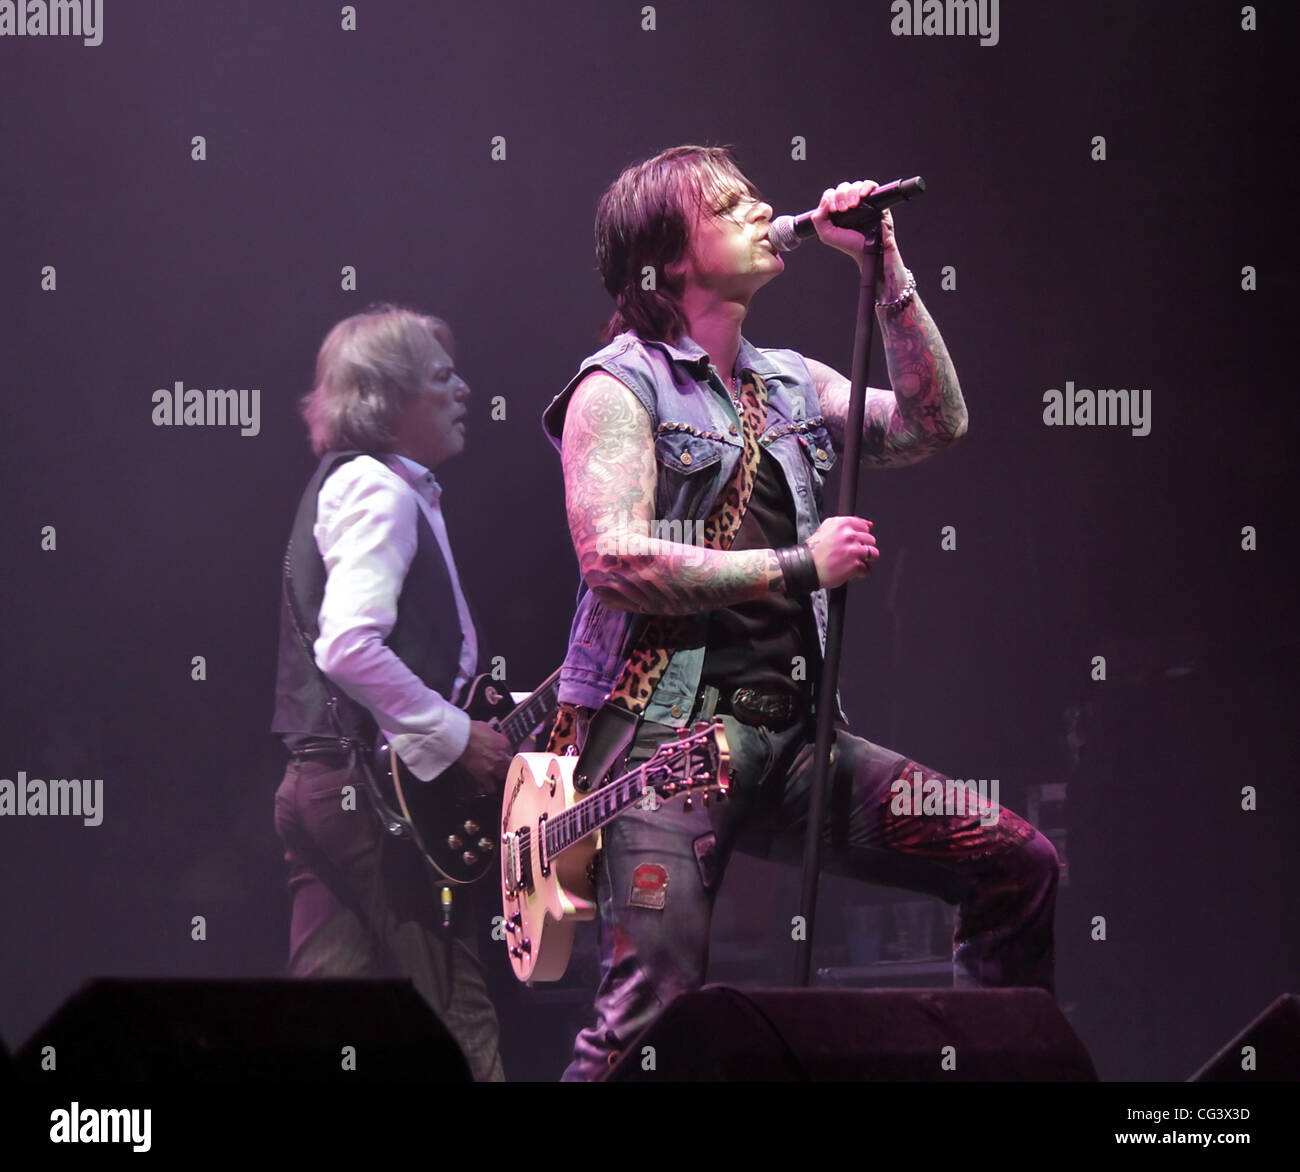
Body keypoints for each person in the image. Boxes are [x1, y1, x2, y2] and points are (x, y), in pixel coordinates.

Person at [542, 146, 1060, 1080]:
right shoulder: (617, 388)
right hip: (666, 751)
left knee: (1015, 863)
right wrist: (797, 565)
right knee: (645, 1022)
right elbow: (611, 557)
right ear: (669, 259)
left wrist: (883, 268)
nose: (762, 208)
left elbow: (932, 423)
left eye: (753, 198)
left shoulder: (789, 382)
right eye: (728, 203)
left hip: (798, 743)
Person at [272, 304, 510, 1081]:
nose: (465, 390)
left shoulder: (355, 486)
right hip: (370, 796)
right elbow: (348, 644)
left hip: (321, 782)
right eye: (443, 378)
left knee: (324, 1010)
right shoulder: (380, 490)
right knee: (458, 1014)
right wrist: (455, 733)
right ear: (388, 399)